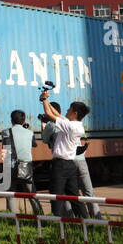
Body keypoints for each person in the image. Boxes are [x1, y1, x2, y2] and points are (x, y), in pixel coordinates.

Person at [39, 90, 90, 220]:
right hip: (70, 165)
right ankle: (85, 221)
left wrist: (43, 100)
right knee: (74, 197)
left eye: (69, 109)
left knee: (56, 196)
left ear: (75, 113)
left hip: (60, 165)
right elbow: (58, 115)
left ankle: (57, 223)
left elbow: (49, 114)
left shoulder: (70, 126)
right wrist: (48, 101)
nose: (66, 111)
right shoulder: (77, 125)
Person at [2, 110, 40, 215]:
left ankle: (12, 218)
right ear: (24, 121)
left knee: (10, 194)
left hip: (10, 166)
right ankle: (39, 214)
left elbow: (5, 146)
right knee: (32, 193)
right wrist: (26, 129)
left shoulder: (5, 132)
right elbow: (34, 144)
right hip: (25, 166)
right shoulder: (30, 133)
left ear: (11, 120)